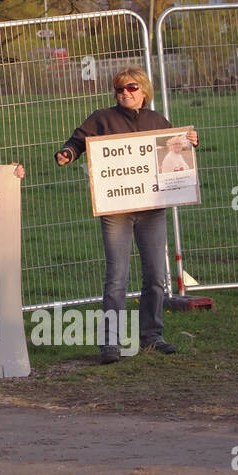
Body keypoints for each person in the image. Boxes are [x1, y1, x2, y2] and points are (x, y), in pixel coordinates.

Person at [54, 67, 199, 364]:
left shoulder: (157, 121)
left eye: (131, 88)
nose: (125, 94)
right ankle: (111, 343)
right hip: (116, 210)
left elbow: (175, 151)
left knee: (156, 275)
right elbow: (79, 140)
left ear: (144, 90)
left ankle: (152, 335)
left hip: (151, 210)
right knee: (117, 277)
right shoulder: (102, 118)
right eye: (119, 89)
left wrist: (191, 142)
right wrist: (68, 152)